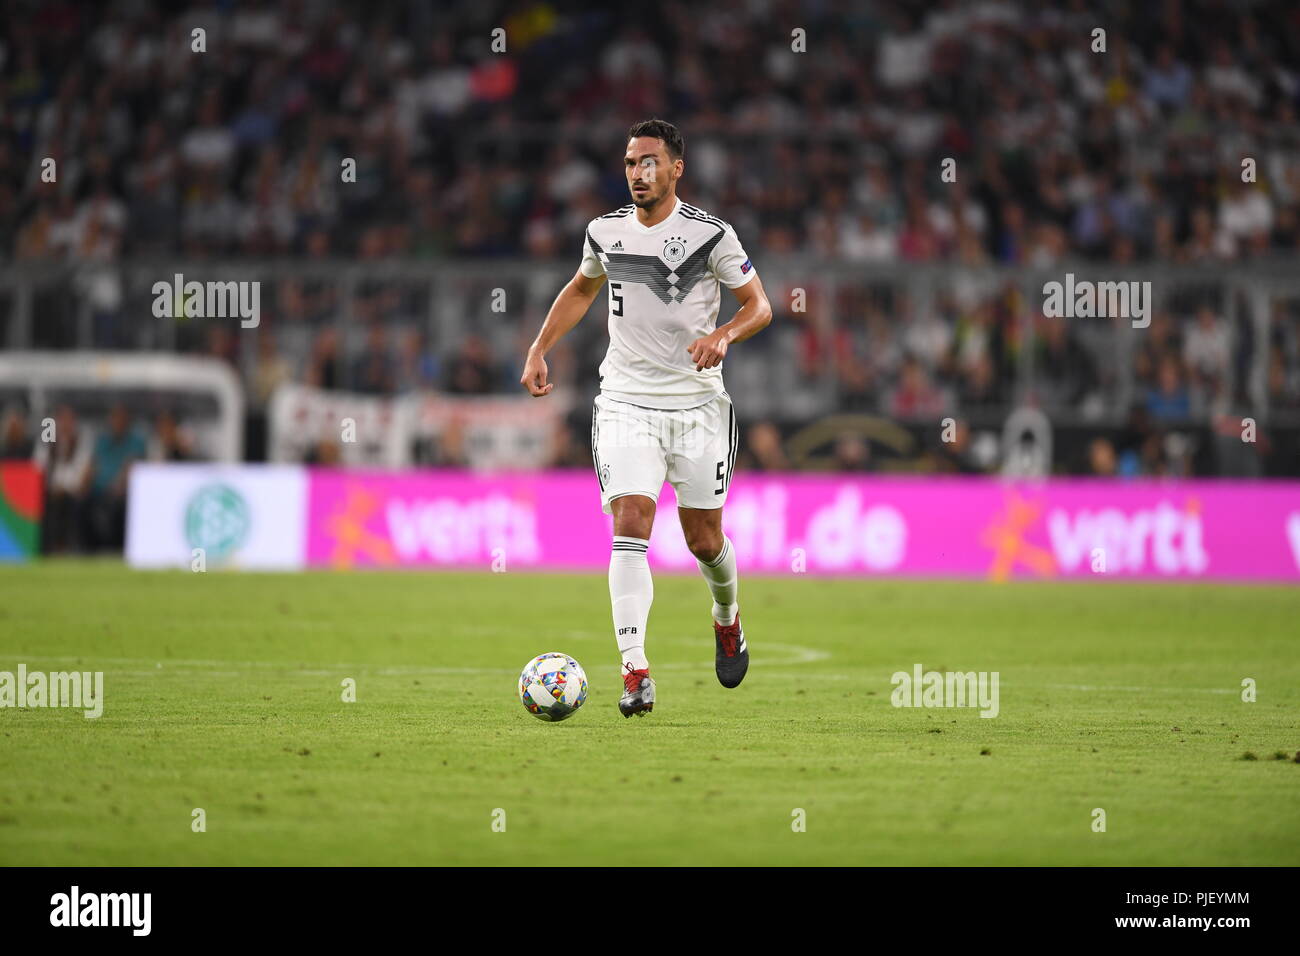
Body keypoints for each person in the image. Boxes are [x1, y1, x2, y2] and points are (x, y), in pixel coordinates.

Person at [519, 119, 772, 717]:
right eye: (632, 162)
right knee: (629, 522)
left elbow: (759, 305)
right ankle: (634, 671)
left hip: (698, 407)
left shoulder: (712, 236)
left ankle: (727, 616)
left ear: (676, 168)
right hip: (626, 402)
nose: (639, 172)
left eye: (651, 161)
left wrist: (725, 335)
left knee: (703, 540)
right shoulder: (604, 232)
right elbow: (582, 289)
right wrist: (539, 346)